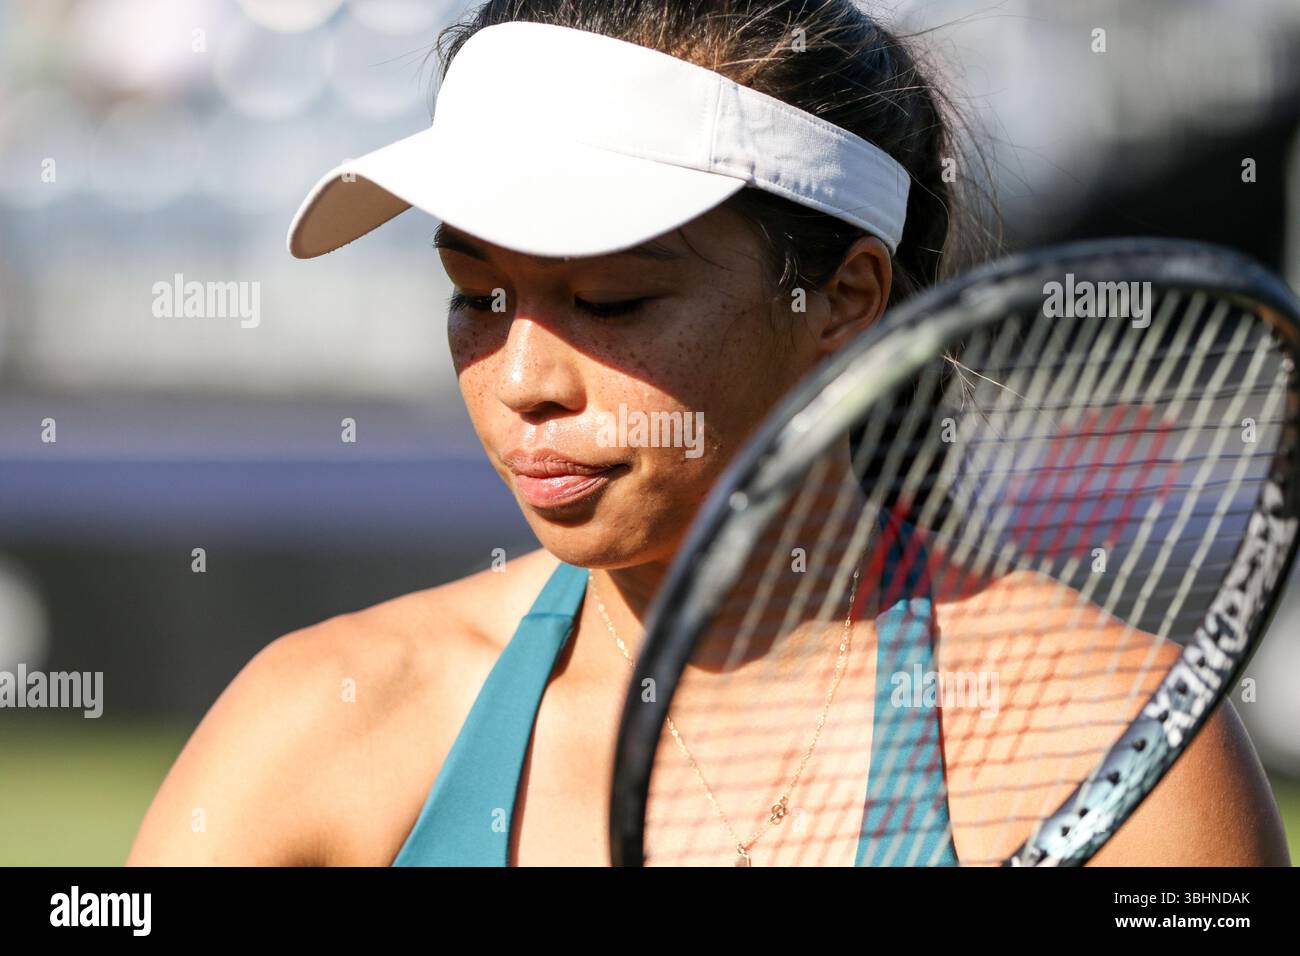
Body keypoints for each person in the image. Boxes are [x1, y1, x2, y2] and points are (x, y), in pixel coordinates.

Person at [127, 0, 1288, 866]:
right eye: (476, 294)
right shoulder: (318, 719)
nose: (522, 376)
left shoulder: (1113, 745)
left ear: (844, 296)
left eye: (614, 300)